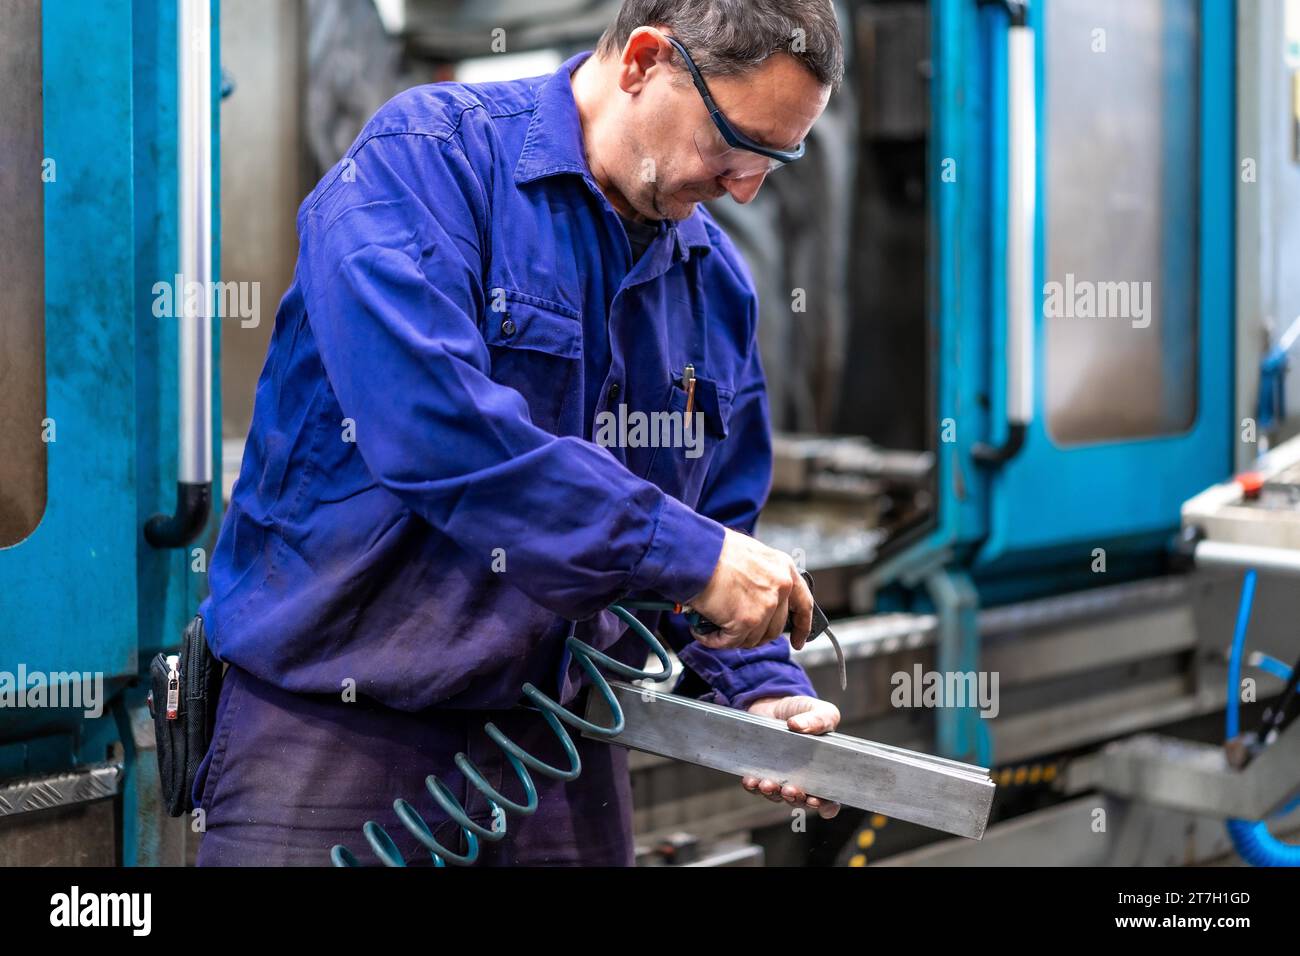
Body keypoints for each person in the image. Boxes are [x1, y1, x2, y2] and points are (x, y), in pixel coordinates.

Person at [195, 0, 846, 866]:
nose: (745, 187)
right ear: (643, 61)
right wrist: (687, 554)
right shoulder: (428, 163)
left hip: (550, 754)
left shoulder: (712, 283)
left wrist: (760, 685)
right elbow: (435, 427)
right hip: (336, 739)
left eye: (776, 156)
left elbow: (718, 522)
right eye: (732, 142)